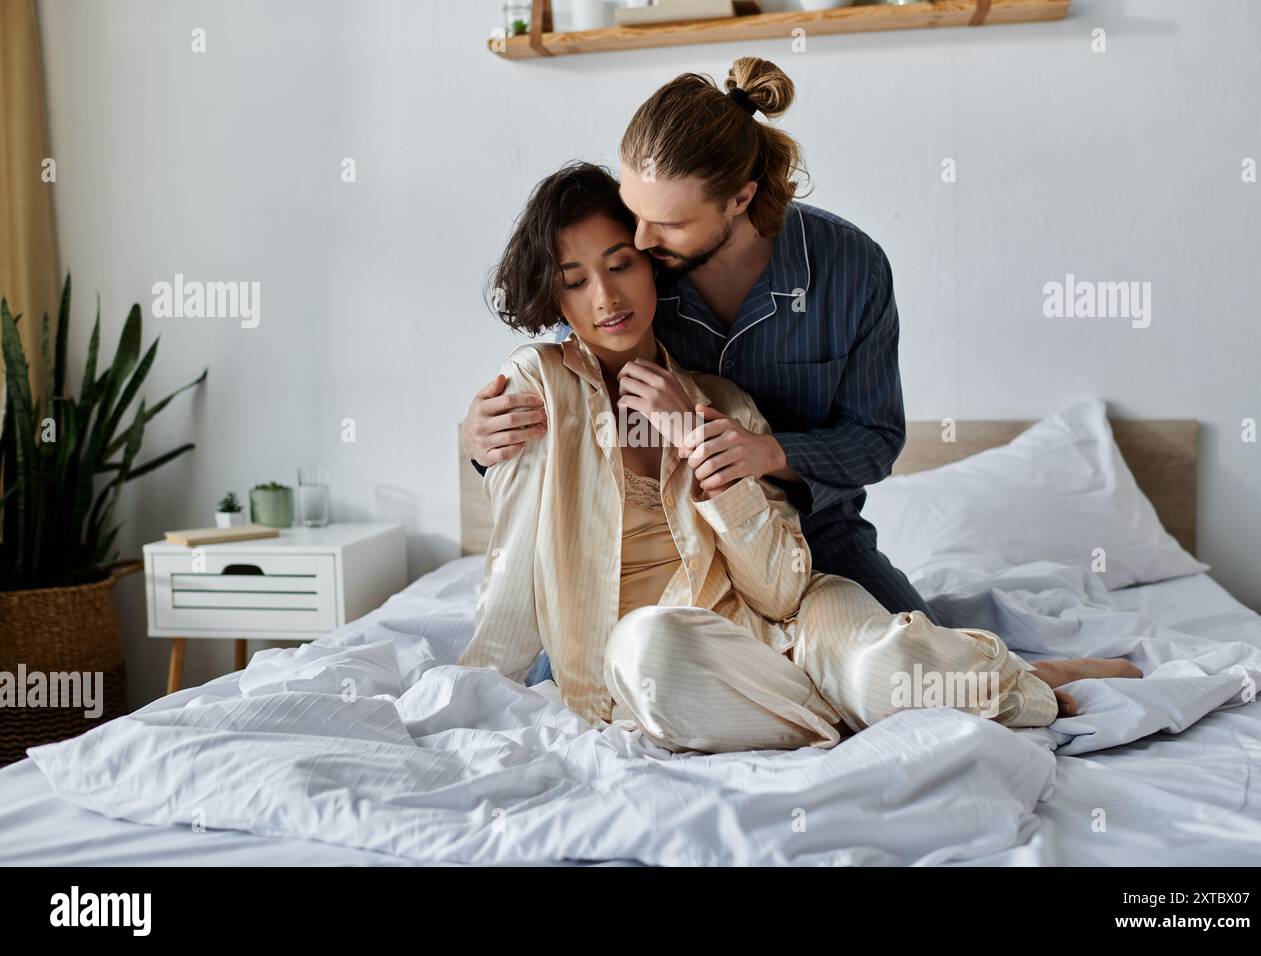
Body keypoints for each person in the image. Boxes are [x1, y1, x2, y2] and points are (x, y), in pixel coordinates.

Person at [455, 161, 1141, 754]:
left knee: (884, 667)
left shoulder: (721, 399)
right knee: (648, 650)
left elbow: (783, 591)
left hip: (796, 621)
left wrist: (698, 443)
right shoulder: (536, 385)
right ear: (552, 295)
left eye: (620, 264)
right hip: (673, 662)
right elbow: (513, 563)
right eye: (573, 279)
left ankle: (1015, 684)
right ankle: (859, 707)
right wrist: (482, 687)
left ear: (651, 265)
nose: (604, 297)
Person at [462, 59, 940, 689]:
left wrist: (762, 452)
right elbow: (569, 383)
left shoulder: (850, 269)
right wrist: (477, 442)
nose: (640, 236)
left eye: (669, 223)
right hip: (654, 557)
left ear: (740, 198)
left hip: (812, 539)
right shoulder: (636, 262)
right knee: (573, 679)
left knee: (924, 671)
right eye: (634, 210)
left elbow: (876, 441)